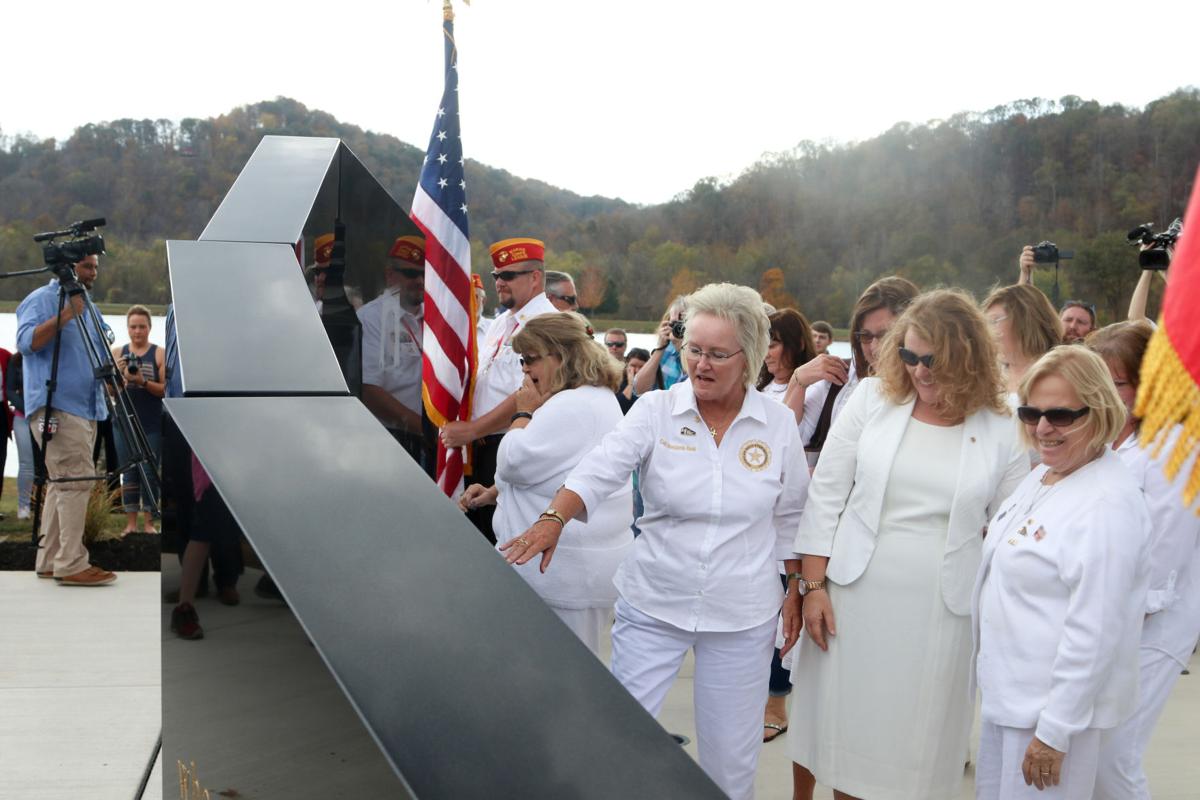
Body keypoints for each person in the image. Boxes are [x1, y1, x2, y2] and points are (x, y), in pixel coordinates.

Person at [501, 283, 810, 800]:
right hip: (653, 604)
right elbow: (601, 468)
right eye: (693, 350)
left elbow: (794, 514)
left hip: (742, 615)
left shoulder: (776, 424)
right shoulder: (654, 411)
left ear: (749, 355)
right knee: (621, 740)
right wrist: (554, 516)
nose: (700, 364)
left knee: (731, 763)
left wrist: (799, 585)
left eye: (717, 354)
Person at [790, 289, 1029, 800]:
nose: (920, 371)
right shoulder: (873, 399)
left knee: (916, 751)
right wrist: (812, 586)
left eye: (934, 360)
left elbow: (1010, 529)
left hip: (943, 612)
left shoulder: (1005, 421)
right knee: (851, 744)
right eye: (910, 356)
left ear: (969, 355)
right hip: (855, 600)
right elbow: (826, 496)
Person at [972, 345, 1149, 799]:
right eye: (1031, 413)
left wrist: (1055, 731)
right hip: (1010, 702)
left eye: (1061, 416)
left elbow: (1096, 629)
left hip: (1050, 717)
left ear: (1101, 411)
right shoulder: (1049, 473)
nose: (1043, 428)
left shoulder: (1106, 505)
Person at [458, 313, 632, 655]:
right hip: (572, 572)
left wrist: (522, 413)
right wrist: (495, 493)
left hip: (563, 575)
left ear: (561, 356)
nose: (525, 369)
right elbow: (555, 471)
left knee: (565, 678)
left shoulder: (571, 405)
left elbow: (513, 462)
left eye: (531, 359)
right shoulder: (595, 397)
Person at [1087, 321, 1200, 799]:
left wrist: (1107, 614)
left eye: (1118, 383)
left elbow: (1164, 556)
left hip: (1153, 626)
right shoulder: (1104, 436)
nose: (1107, 393)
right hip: (1102, 620)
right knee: (1090, 757)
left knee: (1115, 758)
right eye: (1099, 380)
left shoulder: (1177, 446)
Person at [441, 237, 560, 542]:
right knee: (481, 538)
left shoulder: (547, 322)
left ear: (535, 277)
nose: (499, 283)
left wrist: (471, 430)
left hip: (513, 443)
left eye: (508, 276)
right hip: (483, 448)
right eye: (496, 276)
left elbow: (529, 391)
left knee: (506, 538)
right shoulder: (500, 323)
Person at [16, 254, 115, 586]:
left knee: (63, 483)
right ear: (70, 266)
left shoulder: (88, 303)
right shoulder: (41, 300)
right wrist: (65, 315)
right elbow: (26, 343)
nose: (93, 273)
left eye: (96, 267)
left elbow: (101, 347)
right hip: (56, 405)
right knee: (75, 480)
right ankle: (72, 563)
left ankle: (50, 559)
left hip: (88, 406)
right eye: (88, 266)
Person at [796, 276, 918, 467]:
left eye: (886, 335)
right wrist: (797, 382)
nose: (875, 347)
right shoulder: (839, 377)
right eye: (866, 336)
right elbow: (789, 439)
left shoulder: (928, 391)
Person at [358, 235, 429, 471]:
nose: (418, 280)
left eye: (423, 274)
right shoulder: (371, 319)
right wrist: (424, 428)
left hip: (431, 439)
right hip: (390, 436)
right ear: (390, 275)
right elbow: (369, 390)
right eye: (410, 273)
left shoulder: (434, 318)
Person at [111, 305, 165, 535]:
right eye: (133, 327)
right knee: (129, 471)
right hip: (123, 421)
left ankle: (149, 522)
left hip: (151, 420)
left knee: (150, 470)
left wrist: (142, 381)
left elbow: (164, 391)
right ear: (127, 328)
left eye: (142, 326)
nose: (137, 331)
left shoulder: (160, 353)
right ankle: (131, 523)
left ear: (150, 328)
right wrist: (121, 378)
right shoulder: (116, 352)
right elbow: (109, 392)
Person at [981, 284, 1062, 396]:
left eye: (994, 321)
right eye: (986, 323)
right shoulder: (988, 376)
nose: (988, 330)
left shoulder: (1057, 375)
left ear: (1023, 323)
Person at [758, 308, 819, 424]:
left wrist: (798, 381)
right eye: (763, 347)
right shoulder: (757, 384)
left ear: (799, 344)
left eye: (772, 346)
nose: (765, 355)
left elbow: (789, 434)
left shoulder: (814, 389)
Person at [631, 295, 689, 396]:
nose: (678, 328)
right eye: (673, 323)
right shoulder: (666, 350)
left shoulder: (702, 351)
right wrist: (660, 348)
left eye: (682, 323)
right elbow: (638, 389)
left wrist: (682, 348)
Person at [7, 351, 35, 519]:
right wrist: (27, 409)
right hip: (22, 417)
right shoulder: (15, 361)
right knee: (26, 463)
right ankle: (23, 507)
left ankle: (44, 504)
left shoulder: (48, 356)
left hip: (46, 417)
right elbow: (10, 391)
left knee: (48, 463)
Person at [617, 347, 650, 414]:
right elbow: (621, 405)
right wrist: (630, 383)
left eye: (641, 367)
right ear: (626, 364)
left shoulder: (651, 382)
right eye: (633, 366)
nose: (637, 370)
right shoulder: (618, 381)